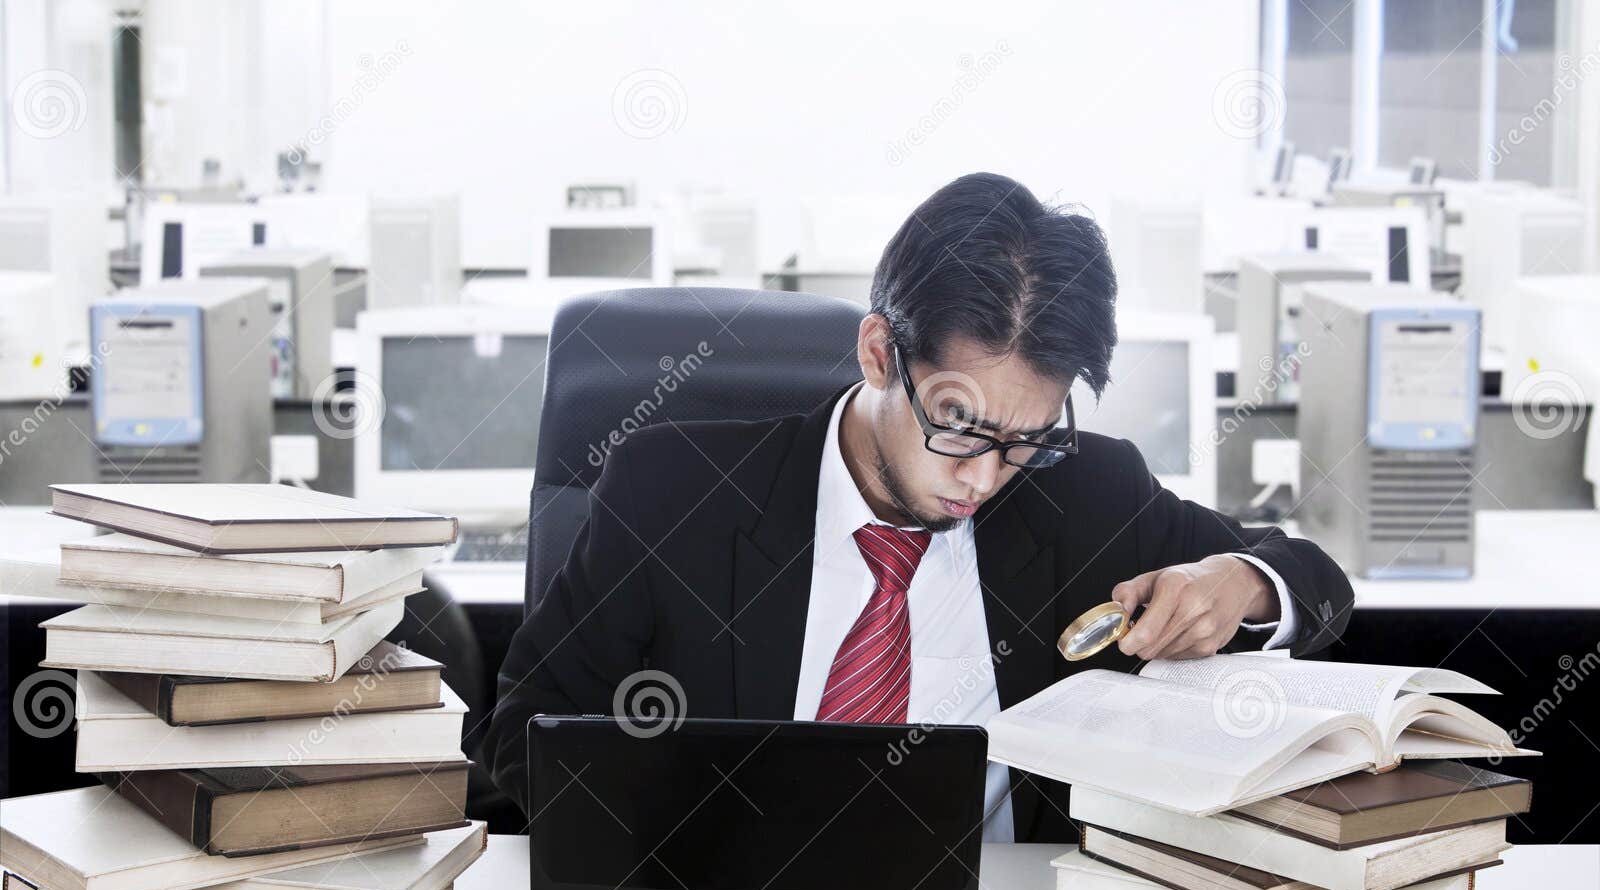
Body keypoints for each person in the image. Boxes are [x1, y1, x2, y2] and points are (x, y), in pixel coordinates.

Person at [483, 172, 1353, 841]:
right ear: (876, 352)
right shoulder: (671, 491)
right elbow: (521, 730)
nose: (984, 478)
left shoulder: (1083, 491)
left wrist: (1239, 581)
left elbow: (1315, 582)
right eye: (958, 423)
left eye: (1027, 437)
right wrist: (679, 831)